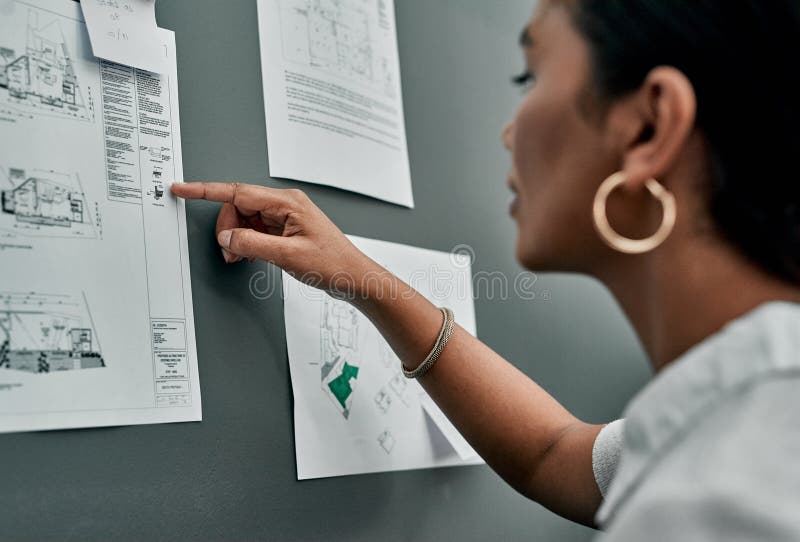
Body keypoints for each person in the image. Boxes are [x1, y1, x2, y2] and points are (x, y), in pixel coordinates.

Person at [172, 0, 800, 538]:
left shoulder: (728, 501)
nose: (507, 133)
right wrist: (362, 276)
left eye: (530, 76)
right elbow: (551, 455)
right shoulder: (742, 417)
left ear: (647, 128)